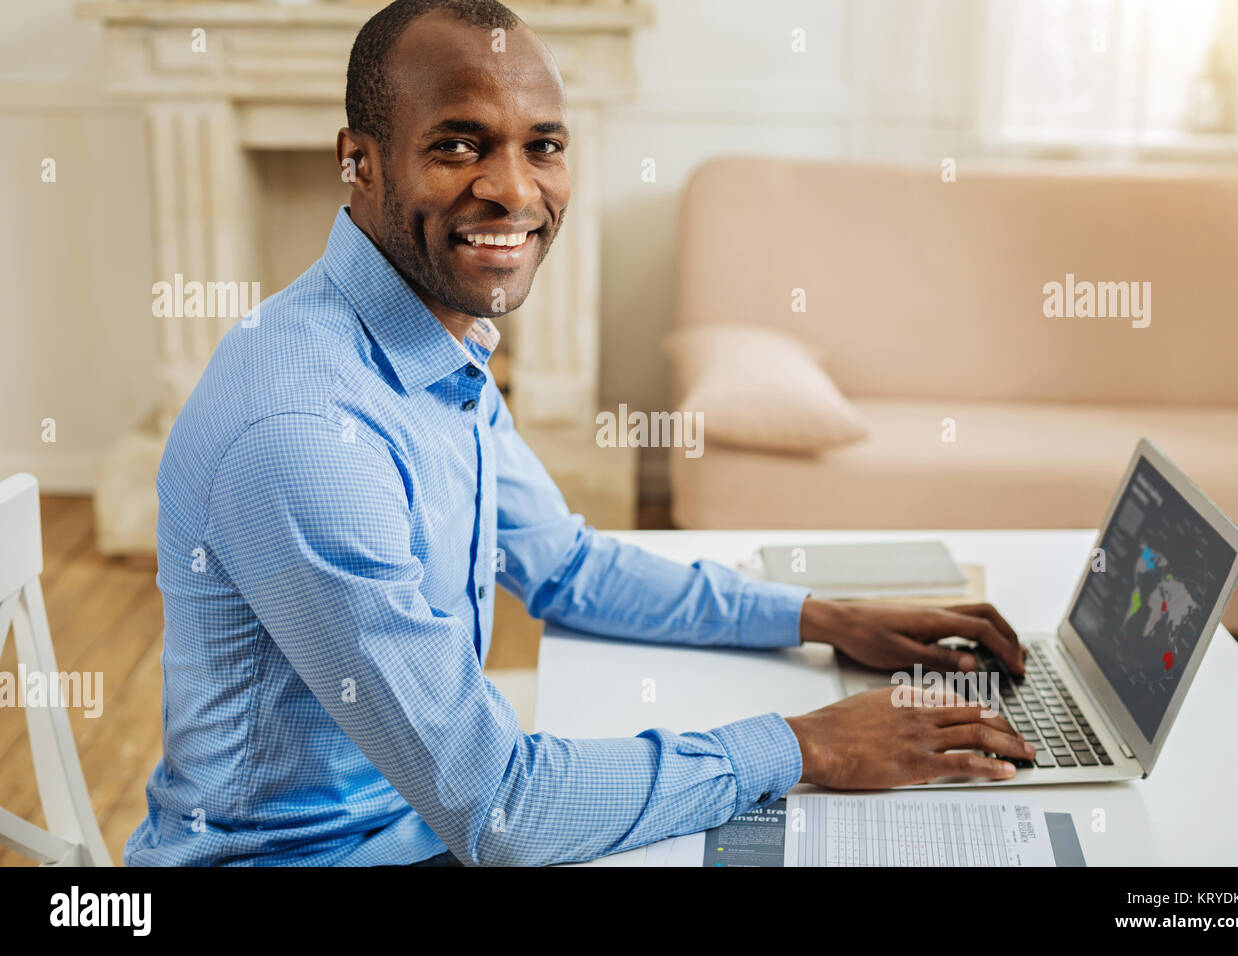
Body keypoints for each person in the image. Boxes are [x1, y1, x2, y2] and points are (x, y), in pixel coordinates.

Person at [124, 0, 1033, 867]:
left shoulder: (436, 336)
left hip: (422, 823)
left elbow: (566, 566)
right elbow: (500, 808)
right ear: (358, 162)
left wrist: (815, 617)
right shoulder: (307, 433)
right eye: (457, 146)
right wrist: (804, 748)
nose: (513, 189)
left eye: (543, 146)